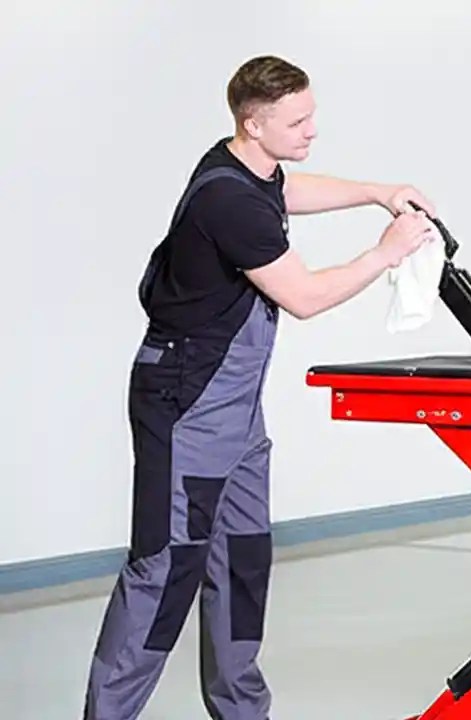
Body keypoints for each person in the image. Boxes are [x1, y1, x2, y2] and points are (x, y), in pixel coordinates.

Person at [83, 55, 437, 719]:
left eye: (311, 116)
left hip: (237, 414)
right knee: (165, 571)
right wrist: (385, 252)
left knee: (242, 563)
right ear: (254, 122)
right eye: (297, 121)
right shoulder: (227, 199)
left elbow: (290, 192)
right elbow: (302, 296)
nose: (311, 132)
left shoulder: (247, 168)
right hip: (186, 403)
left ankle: (243, 712)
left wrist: (376, 189)